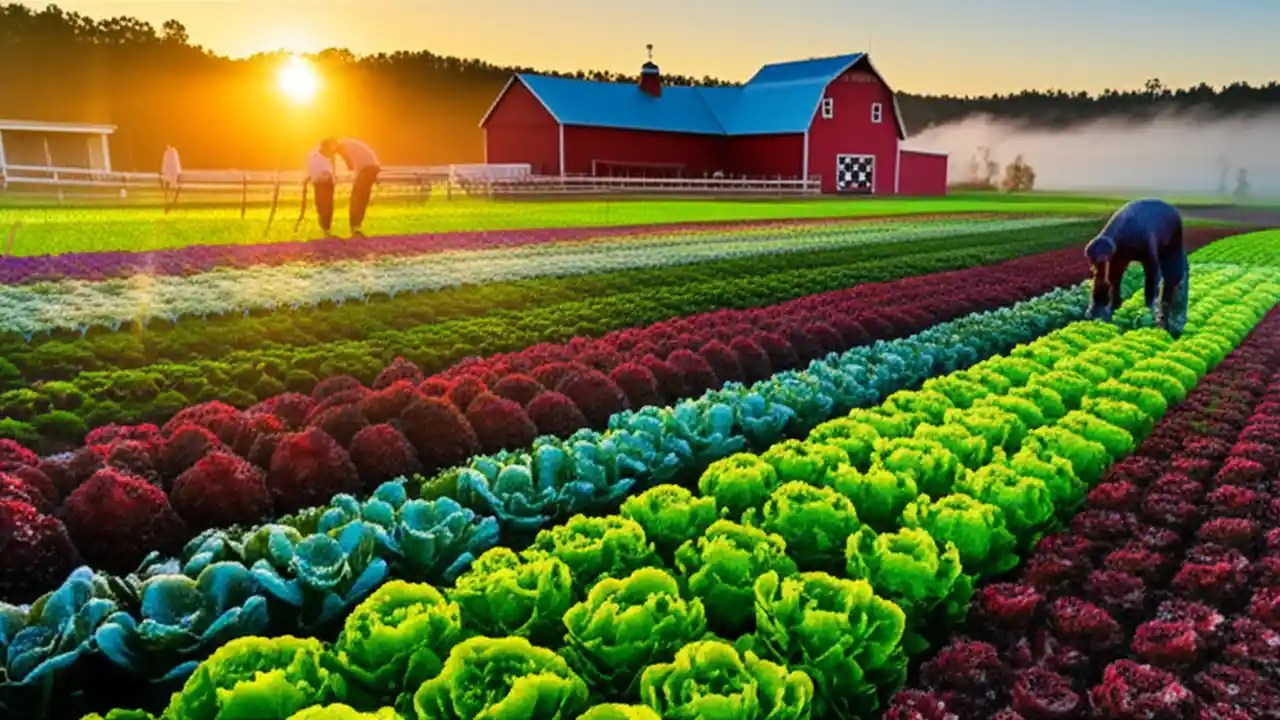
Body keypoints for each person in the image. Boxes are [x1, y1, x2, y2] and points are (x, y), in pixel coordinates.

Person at [1084, 198, 1188, 338]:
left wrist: (1149, 307)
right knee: (1112, 282)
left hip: (1168, 223)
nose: (1098, 267)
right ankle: (1104, 311)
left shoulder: (1141, 237)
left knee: (1174, 276)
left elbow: (1153, 273)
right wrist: (1104, 306)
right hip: (1139, 226)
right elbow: (1107, 278)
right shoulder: (1105, 242)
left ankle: (1172, 322)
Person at [319, 136, 381, 237]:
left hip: (366, 169)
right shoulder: (346, 145)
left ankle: (354, 227)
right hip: (372, 168)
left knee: (356, 198)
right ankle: (356, 226)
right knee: (362, 198)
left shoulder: (341, 147)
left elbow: (349, 165)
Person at [305, 145, 337, 237]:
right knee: (324, 205)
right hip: (323, 183)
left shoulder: (316, 157)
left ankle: (325, 228)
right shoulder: (320, 158)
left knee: (324, 205)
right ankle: (325, 228)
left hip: (323, 183)